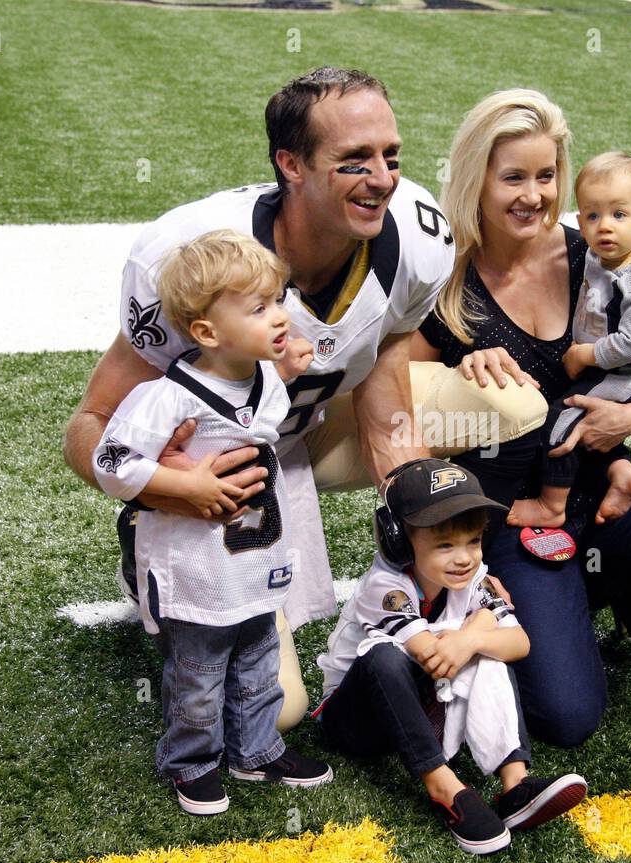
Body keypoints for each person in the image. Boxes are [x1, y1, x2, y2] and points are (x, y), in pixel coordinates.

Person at [63, 67, 457, 728]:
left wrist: (424, 528)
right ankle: (147, 544)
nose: (384, 178)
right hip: (229, 471)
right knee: (277, 713)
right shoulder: (190, 256)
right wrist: (163, 489)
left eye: (391, 156)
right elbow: (92, 424)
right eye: (354, 160)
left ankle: (495, 570)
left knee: (511, 410)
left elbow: (389, 402)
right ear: (291, 164)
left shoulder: (416, 239)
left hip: (309, 428)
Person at [412, 89, 631, 747]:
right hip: (508, 517)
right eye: (513, 177)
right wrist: (460, 385)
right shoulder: (444, 278)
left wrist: (629, 419)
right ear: (475, 178)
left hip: (598, 488)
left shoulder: (592, 255)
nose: (534, 195)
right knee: (567, 718)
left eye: (546, 176)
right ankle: (549, 599)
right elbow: (394, 408)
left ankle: (624, 599)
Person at [92, 231, 332, 814]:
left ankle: (256, 750)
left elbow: (262, 414)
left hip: (252, 562)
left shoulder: (261, 377)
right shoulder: (169, 397)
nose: (280, 317)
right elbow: (110, 460)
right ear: (206, 332)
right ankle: (191, 762)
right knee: (198, 675)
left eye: (279, 299)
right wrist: (186, 484)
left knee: (258, 665)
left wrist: (290, 371)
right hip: (196, 569)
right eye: (259, 308)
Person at [315, 458, 587, 855]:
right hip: (357, 719)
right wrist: (479, 628)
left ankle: (516, 785)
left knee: (487, 651)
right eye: (445, 544)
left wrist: (476, 635)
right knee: (384, 656)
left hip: (424, 707)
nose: (464, 558)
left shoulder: (474, 577)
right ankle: (444, 788)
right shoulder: (384, 588)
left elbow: (520, 642)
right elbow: (433, 658)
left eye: (473, 541)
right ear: (398, 540)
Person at [508, 151, 631, 530]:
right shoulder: (600, 257)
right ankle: (621, 471)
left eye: (619, 215)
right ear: (580, 221)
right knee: (588, 417)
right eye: (593, 216)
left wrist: (586, 355)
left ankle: (551, 505)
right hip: (616, 364)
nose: (605, 227)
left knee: (562, 418)